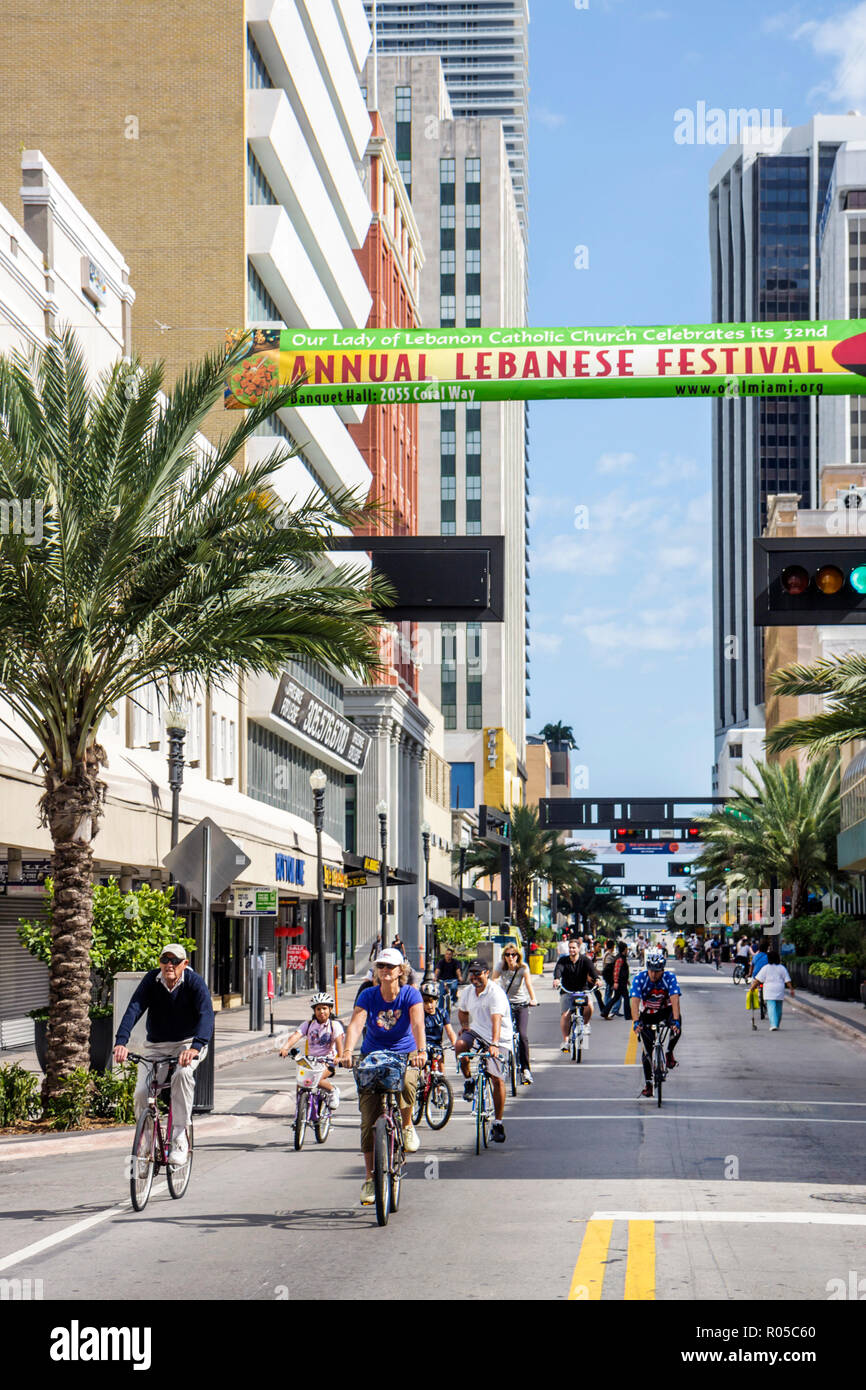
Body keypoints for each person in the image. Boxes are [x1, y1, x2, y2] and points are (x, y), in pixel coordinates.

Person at [339, 948, 426, 1207]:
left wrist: (421, 1051)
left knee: (408, 1081)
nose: (385, 970)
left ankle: (407, 1125)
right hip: (373, 1056)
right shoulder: (368, 995)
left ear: (401, 971)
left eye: (390, 966)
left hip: (405, 1054)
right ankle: (369, 1178)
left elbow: (417, 1024)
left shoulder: (410, 994)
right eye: (381, 966)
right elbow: (356, 1024)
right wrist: (347, 1051)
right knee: (368, 1121)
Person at [113, 943, 213, 1165]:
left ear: (184, 964)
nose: (169, 965)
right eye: (165, 960)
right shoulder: (151, 980)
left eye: (175, 961)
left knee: (182, 1075)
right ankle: (147, 1143)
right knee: (142, 1091)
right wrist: (121, 1042)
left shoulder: (194, 983)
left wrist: (196, 1046)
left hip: (187, 1043)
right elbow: (134, 1009)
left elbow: (206, 1015)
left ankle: (179, 1135)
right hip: (156, 1045)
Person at [455, 959, 513, 1143]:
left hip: (499, 1037)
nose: (474, 977)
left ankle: (498, 1123)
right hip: (477, 1032)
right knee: (460, 1045)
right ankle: (469, 1081)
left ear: (487, 973)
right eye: (472, 972)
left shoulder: (495, 993)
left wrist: (494, 1044)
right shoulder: (468, 991)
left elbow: (496, 1020)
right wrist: (465, 1026)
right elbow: (462, 1011)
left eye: (478, 973)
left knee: (497, 1078)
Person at [630, 947, 682, 1099]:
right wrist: (636, 1022)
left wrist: (675, 1021)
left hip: (665, 1011)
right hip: (647, 1014)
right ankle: (649, 1084)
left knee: (678, 1025)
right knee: (646, 1051)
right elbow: (634, 1002)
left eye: (657, 971)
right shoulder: (640, 978)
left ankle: (669, 1052)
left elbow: (675, 999)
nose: (653, 974)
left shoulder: (669, 978)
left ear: (662, 970)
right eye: (651, 970)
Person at [279, 992, 344, 1109]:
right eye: (318, 1009)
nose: (321, 1012)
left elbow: (339, 1042)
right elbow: (296, 1036)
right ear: (314, 1010)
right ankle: (301, 1110)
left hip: (327, 1062)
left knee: (315, 1080)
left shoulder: (335, 1025)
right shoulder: (308, 1024)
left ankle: (333, 1090)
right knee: (301, 1082)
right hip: (310, 1062)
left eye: (324, 1008)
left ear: (330, 1009)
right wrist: (285, 1047)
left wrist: (339, 1057)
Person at [492, 944, 538, 1083]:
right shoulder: (500, 966)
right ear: (504, 956)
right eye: (507, 955)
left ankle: (525, 1069)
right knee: (500, 1035)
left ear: (518, 956)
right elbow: (493, 981)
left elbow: (528, 984)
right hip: (505, 1005)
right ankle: (502, 1064)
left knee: (522, 1035)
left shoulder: (523, 968)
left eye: (513, 954)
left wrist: (533, 999)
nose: (510, 957)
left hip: (521, 1004)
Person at [553, 937, 598, 1051]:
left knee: (589, 1006)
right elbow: (558, 970)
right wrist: (557, 979)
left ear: (579, 948)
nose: (571, 950)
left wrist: (597, 979)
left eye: (573, 948)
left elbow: (592, 971)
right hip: (567, 991)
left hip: (582, 990)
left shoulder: (585, 960)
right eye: (570, 948)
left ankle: (586, 1024)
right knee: (565, 1015)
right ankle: (566, 1041)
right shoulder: (563, 960)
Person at [753, 951, 794, 1030]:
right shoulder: (782, 968)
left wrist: (752, 987)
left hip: (769, 990)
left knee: (771, 1007)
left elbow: (758, 980)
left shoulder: (766, 968)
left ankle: (773, 1024)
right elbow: (787, 980)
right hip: (779, 989)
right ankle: (777, 1024)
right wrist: (791, 989)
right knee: (779, 1008)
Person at [420, 979, 457, 1063]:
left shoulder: (442, 1013)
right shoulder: (420, 1015)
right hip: (423, 1045)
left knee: (440, 1063)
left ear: (436, 1000)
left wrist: (454, 1043)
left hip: (437, 1046)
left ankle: (441, 1071)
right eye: (425, 1003)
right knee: (422, 1064)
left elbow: (450, 1031)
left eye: (431, 1002)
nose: (429, 1005)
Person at [604, 941, 631, 1019]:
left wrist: (627, 980)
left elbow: (623, 971)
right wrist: (615, 982)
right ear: (624, 949)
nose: (627, 950)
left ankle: (605, 1011)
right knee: (626, 997)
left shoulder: (621, 957)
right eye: (627, 949)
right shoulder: (620, 958)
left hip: (622, 981)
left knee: (616, 997)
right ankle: (628, 1015)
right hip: (620, 982)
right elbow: (616, 971)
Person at [434, 945, 464, 1011]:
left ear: (452, 955)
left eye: (449, 954)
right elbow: (438, 969)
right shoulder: (441, 962)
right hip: (443, 980)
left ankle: (454, 999)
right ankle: (440, 1009)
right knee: (442, 994)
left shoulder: (455, 962)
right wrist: (435, 977)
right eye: (447, 954)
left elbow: (458, 970)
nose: (448, 956)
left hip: (453, 980)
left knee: (454, 988)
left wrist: (459, 977)